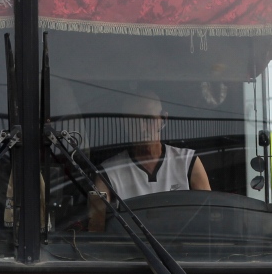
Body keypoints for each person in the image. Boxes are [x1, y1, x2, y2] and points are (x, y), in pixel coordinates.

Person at [90, 91, 210, 230]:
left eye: (148, 119)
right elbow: (96, 229)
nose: (141, 128)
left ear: (163, 120)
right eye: (133, 120)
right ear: (124, 122)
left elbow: (208, 219)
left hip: (182, 249)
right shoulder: (107, 173)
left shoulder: (188, 162)